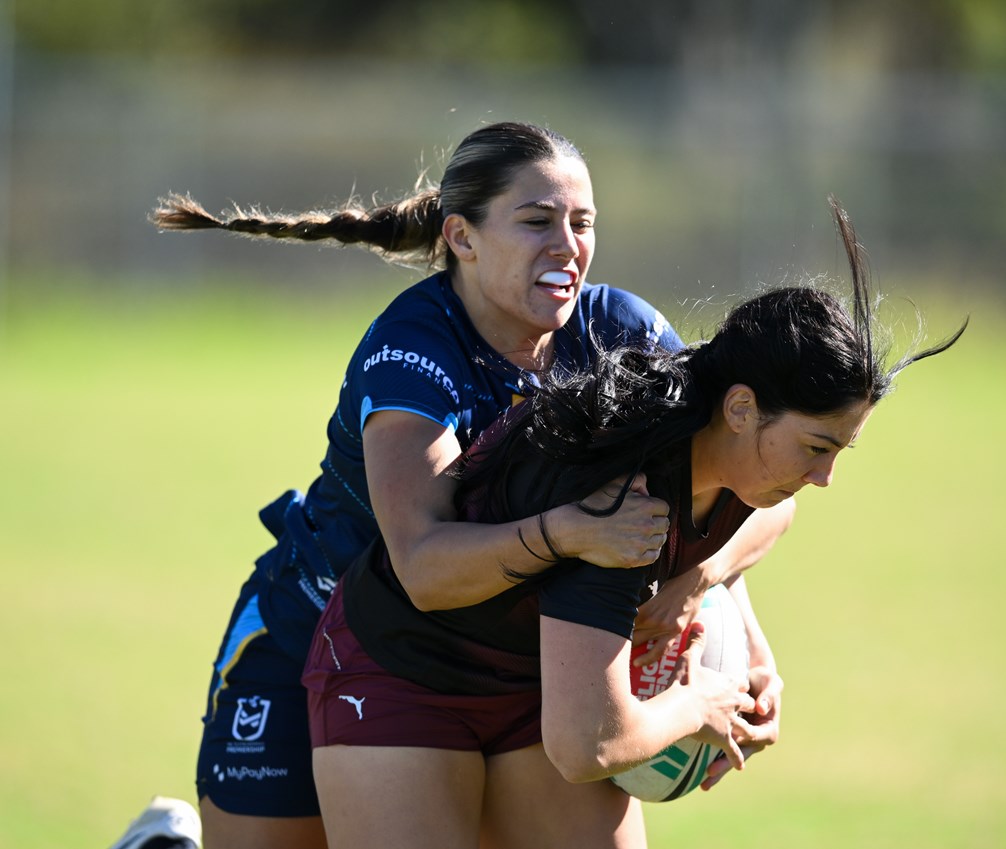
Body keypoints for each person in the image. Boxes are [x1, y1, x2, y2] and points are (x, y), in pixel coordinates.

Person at [146, 121, 793, 849]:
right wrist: (567, 532)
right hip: (326, 629)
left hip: (507, 657)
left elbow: (748, 483)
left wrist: (709, 589)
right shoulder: (413, 354)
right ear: (461, 237)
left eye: (582, 223)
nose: (568, 246)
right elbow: (424, 566)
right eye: (537, 222)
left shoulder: (624, 331)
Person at [301, 198, 967, 849]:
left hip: (536, 675)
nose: (823, 478)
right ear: (741, 409)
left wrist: (732, 622)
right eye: (817, 447)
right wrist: (702, 705)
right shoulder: (626, 504)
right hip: (404, 668)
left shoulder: (731, 441)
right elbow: (588, 742)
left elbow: (768, 515)